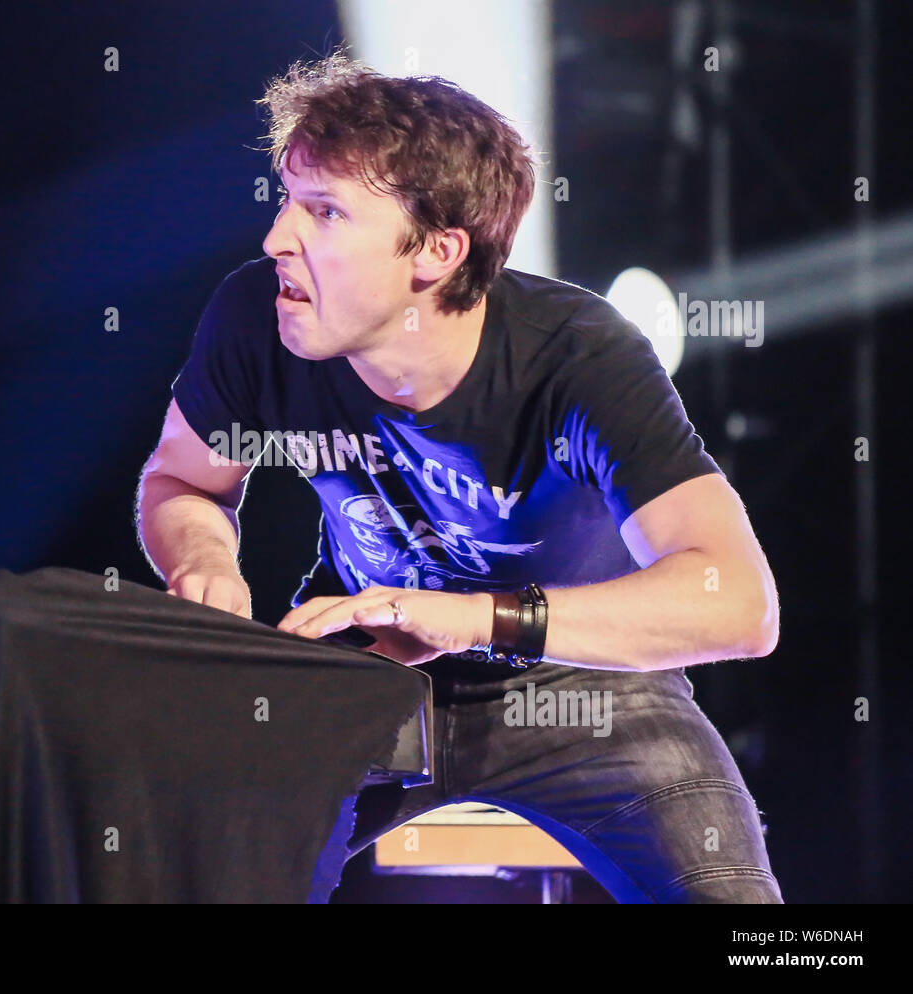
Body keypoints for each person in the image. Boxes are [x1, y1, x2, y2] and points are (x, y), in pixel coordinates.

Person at [135, 52, 783, 903]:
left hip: (589, 685)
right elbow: (182, 483)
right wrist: (204, 565)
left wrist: (468, 618)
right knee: (190, 873)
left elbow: (738, 602)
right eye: (291, 200)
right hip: (368, 665)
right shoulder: (260, 314)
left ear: (436, 252)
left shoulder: (581, 356)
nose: (276, 237)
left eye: (323, 212)